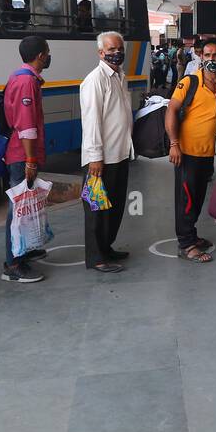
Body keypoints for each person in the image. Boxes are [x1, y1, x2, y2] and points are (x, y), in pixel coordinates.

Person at [166, 37, 216, 263]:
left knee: (197, 199)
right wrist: (174, 144)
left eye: (215, 55)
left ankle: (191, 235)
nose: (211, 59)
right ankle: (186, 245)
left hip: (207, 153)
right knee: (186, 199)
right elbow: (171, 111)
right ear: (201, 58)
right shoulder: (189, 82)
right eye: (207, 55)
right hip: (186, 152)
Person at [80, 30, 135, 273]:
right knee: (97, 210)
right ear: (100, 52)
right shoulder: (95, 80)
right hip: (101, 159)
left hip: (120, 154)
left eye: (119, 48)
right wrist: (95, 157)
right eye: (111, 50)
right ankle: (96, 258)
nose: (116, 53)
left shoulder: (120, 76)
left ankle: (107, 248)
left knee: (114, 207)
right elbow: (91, 121)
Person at [0, 35, 52, 283]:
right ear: (41, 55)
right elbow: (26, 126)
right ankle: (13, 263)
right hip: (22, 154)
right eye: (48, 52)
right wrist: (31, 160)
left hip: (23, 152)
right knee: (19, 209)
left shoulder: (23, 77)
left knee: (25, 205)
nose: (49, 56)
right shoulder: (26, 82)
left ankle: (24, 250)